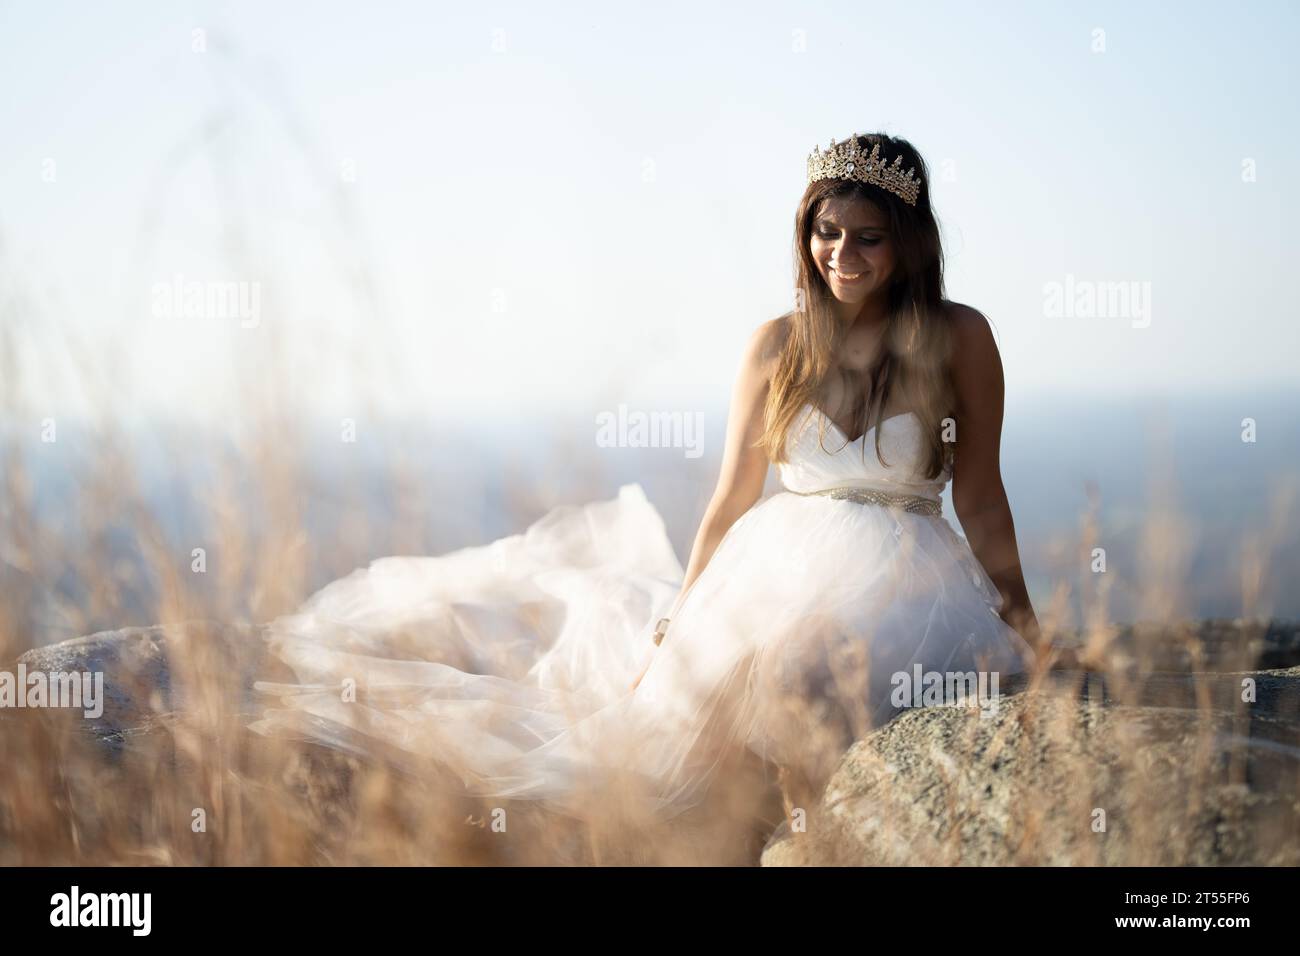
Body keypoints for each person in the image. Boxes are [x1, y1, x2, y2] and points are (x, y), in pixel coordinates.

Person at [250, 131, 1065, 838]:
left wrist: (1025, 621)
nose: (841, 256)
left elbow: (981, 493)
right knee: (689, 726)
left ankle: (821, 844)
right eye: (826, 232)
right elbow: (731, 499)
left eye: (870, 239)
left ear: (910, 245)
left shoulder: (959, 336)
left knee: (812, 683)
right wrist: (683, 618)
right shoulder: (775, 346)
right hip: (781, 562)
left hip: (908, 570)